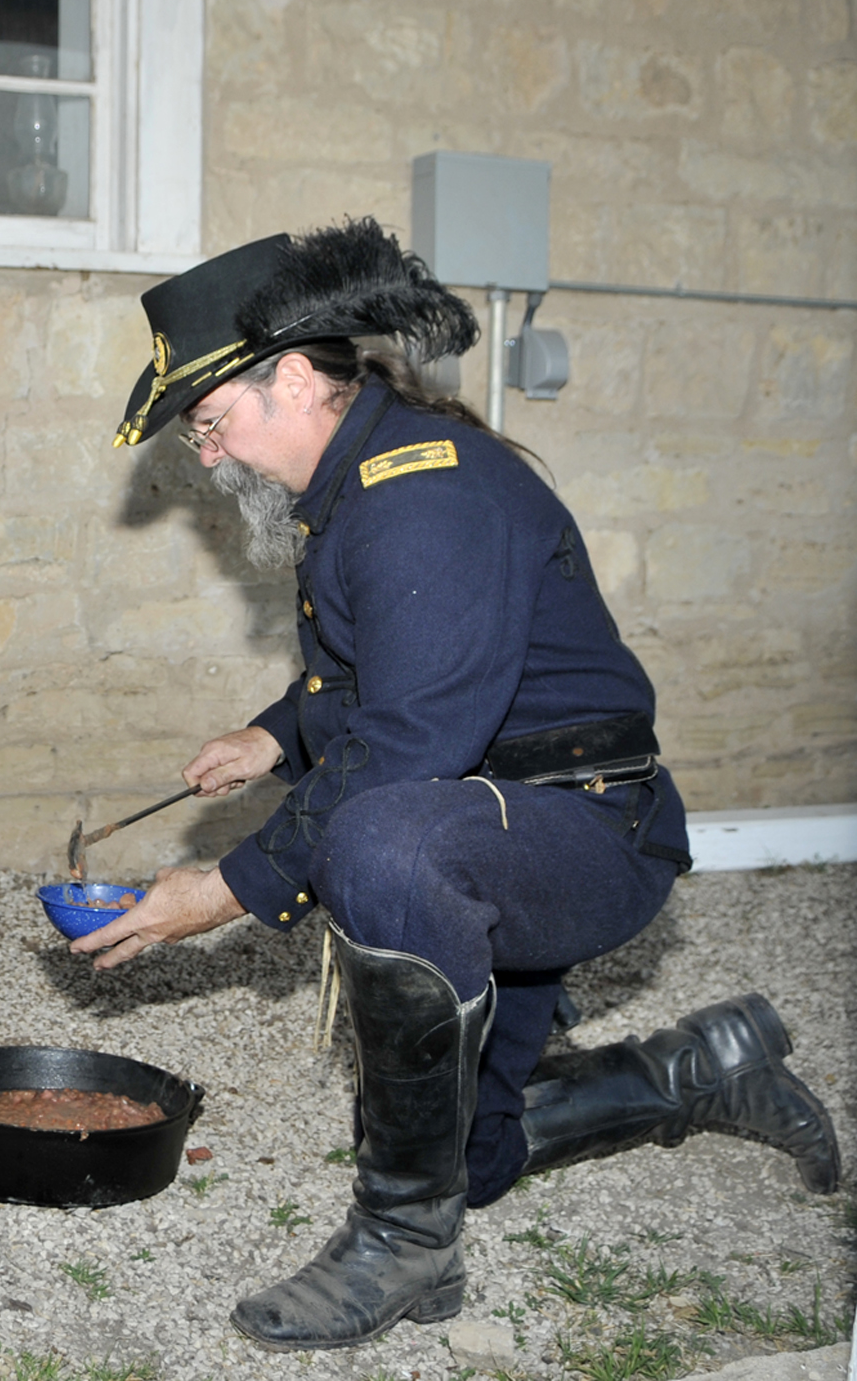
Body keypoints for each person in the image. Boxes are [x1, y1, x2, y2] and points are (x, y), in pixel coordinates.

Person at [72, 221, 839, 1351]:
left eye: (214, 422)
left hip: (582, 831)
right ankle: (694, 1068)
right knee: (467, 1154)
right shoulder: (370, 479)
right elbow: (402, 664)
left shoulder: (420, 495)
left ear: (293, 378)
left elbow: (405, 745)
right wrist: (275, 735)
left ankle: (405, 1247)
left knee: (379, 844)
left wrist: (226, 887)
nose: (214, 456)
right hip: (498, 819)